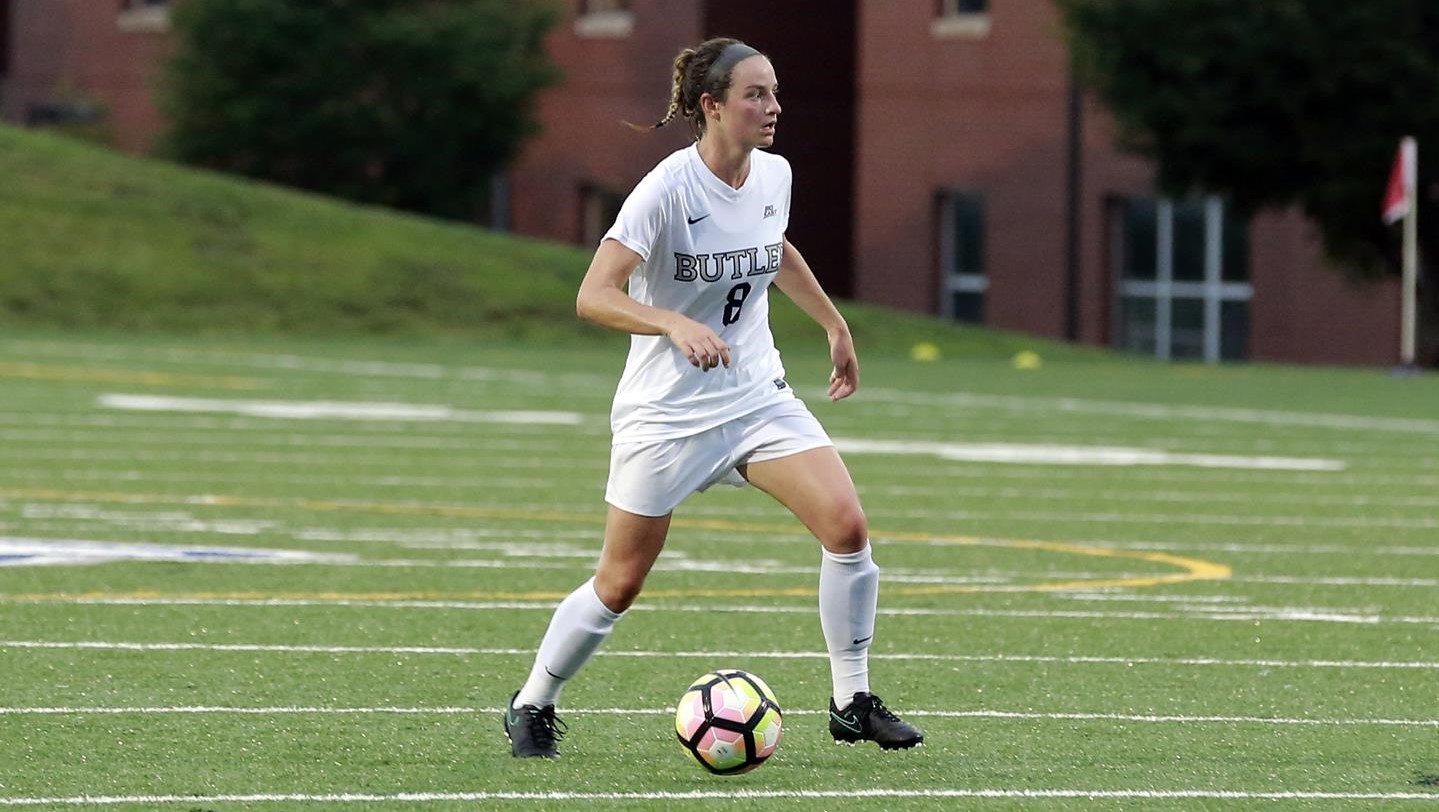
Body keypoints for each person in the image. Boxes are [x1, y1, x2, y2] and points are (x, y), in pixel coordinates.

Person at [503, 37, 923, 759]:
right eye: (755, 95)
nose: (774, 107)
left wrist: (832, 323)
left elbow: (774, 247)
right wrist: (669, 321)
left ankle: (850, 700)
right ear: (712, 107)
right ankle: (533, 702)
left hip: (755, 396)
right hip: (666, 416)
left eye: (774, 92)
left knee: (847, 529)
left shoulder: (774, 174)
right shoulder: (665, 190)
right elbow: (592, 295)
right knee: (619, 582)